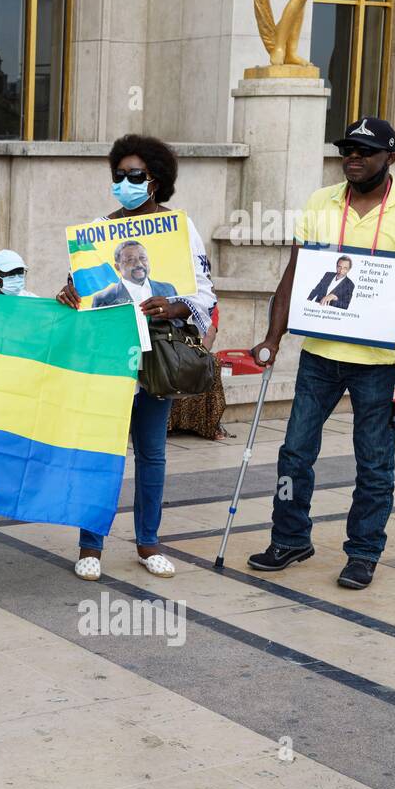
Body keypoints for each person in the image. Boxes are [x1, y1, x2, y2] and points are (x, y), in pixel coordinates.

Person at [248, 117, 395, 590]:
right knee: (294, 453)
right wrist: (273, 337)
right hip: (319, 354)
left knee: (375, 463)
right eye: (347, 150)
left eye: (365, 151)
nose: (354, 158)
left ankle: (363, 552)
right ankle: (289, 538)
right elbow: (294, 275)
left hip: (382, 365)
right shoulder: (320, 203)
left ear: (392, 158)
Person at [57, 134, 217, 581]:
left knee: (152, 452)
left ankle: (148, 541)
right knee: (103, 449)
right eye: (118, 176)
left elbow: (203, 294)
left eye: (134, 176)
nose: (125, 183)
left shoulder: (180, 230)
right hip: (109, 357)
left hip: (158, 358)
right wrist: (70, 293)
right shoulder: (98, 230)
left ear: (155, 180)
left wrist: (176, 306)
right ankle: (91, 544)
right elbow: (79, 289)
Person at [167, 304, 230, 441]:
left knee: (212, 363)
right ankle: (166, 424)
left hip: (193, 348)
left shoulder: (208, 303)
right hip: (167, 346)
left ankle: (207, 425)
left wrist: (198, 355)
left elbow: (210, 334)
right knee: (170, 363)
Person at [90, 241, 178, 308]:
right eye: (130, 260)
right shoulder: (103, 299)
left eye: (142, 258)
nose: (139, 264)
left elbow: (181, 323)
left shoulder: (168, 289)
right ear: (117, 267)